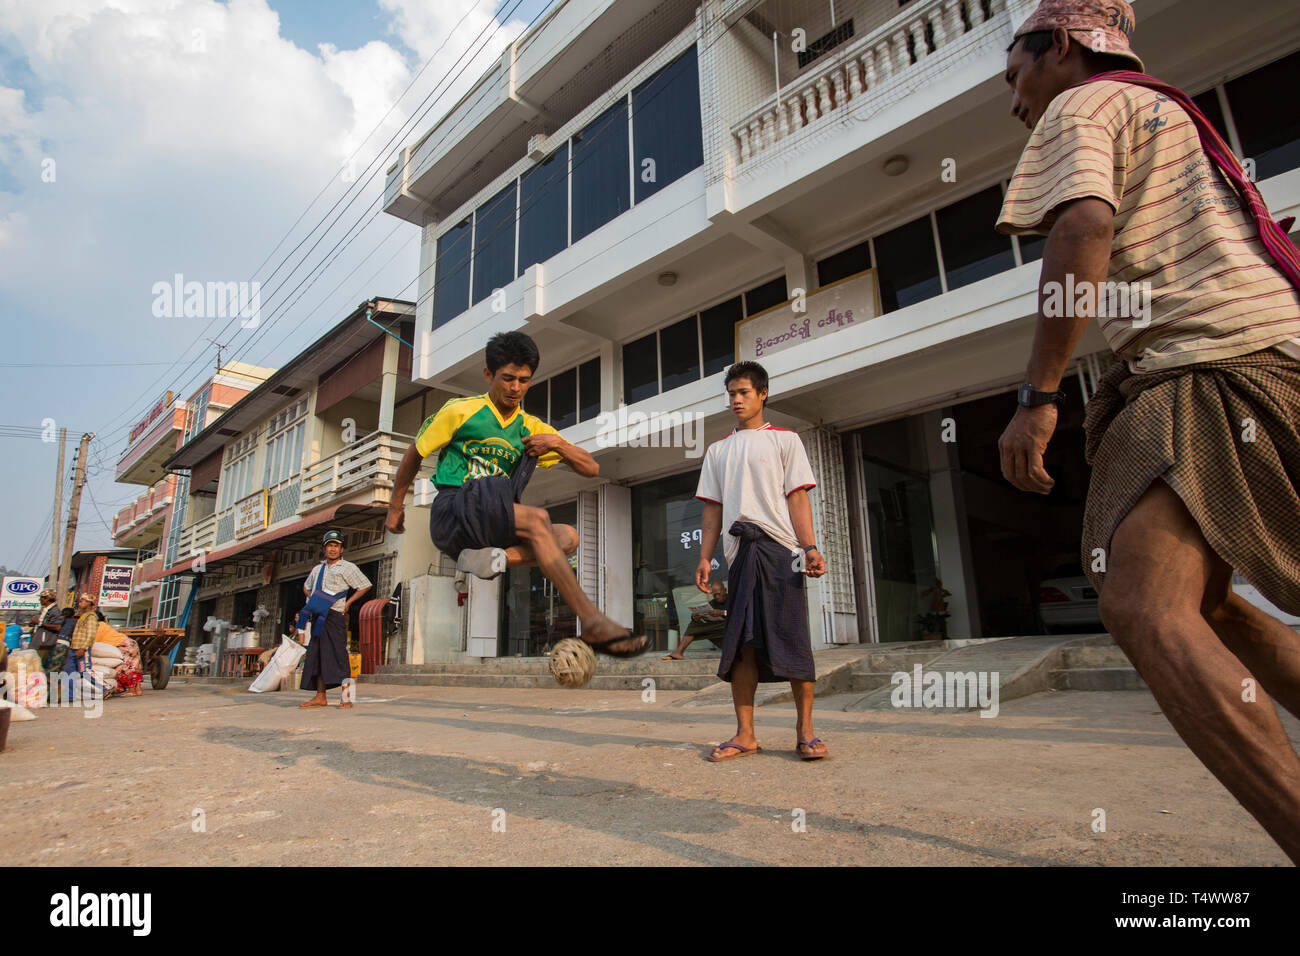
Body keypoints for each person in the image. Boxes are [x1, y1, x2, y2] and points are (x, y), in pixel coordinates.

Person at [996, 0, 1300, 862]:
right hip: (1273, 355)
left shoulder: (1082, 104)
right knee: (1204, 607)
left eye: (1014, 76)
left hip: (1212, 362)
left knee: (1142, 605)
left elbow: (1083, 225)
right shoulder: (1165, 106)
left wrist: (1037, 395)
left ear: (1056, 46)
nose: (1014, 101)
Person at [386, 330, 647, 658]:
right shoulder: (460, 410)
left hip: (491, 519)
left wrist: (556, 443)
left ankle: (486, 559)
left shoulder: (531, 427)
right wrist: (395, 507)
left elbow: (590, 468)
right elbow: (414, 453)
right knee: (537, 518)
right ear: (488, 374)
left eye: (523, 380)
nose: (515, 388)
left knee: (567, 538)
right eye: (508, 378)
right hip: (454, 508)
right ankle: (592, 621)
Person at [694, 361, 829, 761]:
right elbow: (712, 512)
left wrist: (810, 547)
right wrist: (705, 558)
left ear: (763, 393)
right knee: (741, 645)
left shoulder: (786, 441)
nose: (736, 400)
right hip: (739, 556)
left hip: (783, 552)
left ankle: (806, 732)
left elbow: (797, 498)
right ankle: (745, 734)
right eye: (732, 394)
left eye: (744, 393)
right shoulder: (717, 450)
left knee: (793, 639)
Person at [289, 530, 371, 709]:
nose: (332, 549)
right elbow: (306, 587)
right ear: (324, 549)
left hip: (335, 615)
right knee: (317, 655)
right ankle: (320, 697)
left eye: (336, 546)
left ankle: (346, 697)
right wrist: (313, 599)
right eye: (329, 546)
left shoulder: (348, 568)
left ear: (341, 549)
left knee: (339, 654)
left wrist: (348, 603)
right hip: (318, 616)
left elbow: (365, 585)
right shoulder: (318, 569)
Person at [662, 580, 727, 661]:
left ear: (725, 590)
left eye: (718, 593)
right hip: (718, 631)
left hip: (732, 630)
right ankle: (679, 652)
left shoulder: (734, 599)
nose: (717, 597)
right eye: (714, 595)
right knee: (695, 623)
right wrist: (696, 617)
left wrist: (723, 612)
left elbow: (742, 614)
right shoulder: (713, 603)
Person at [31, 590, 63, 667]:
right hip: (37, 641)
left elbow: (57, 627)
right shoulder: (44, 610)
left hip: (45, 643)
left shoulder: (55, 611)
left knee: (40, 665)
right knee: (34, 664)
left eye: (41, 598)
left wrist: (40, 623)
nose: (40, 600)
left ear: (47, 599)